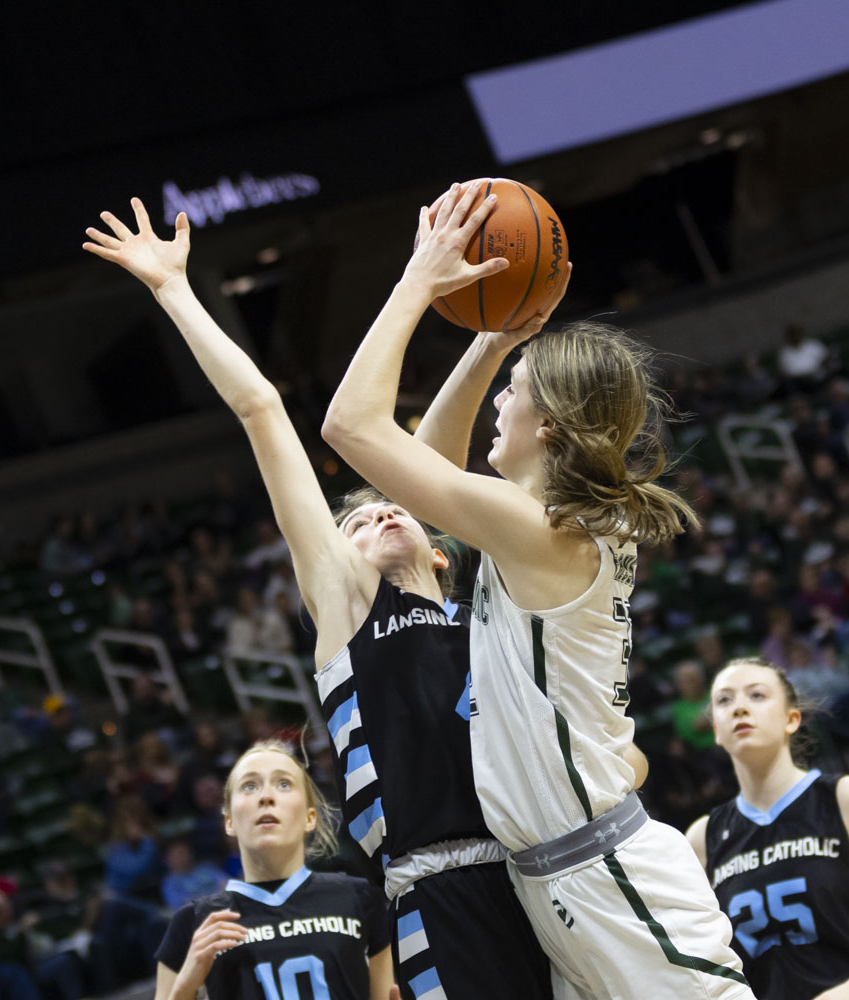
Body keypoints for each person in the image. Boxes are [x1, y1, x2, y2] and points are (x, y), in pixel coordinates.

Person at [86, 197, 549, 998]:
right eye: (358, 522)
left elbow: (433, 462)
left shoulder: (472, 607)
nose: (379, 510)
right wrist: (173, 290)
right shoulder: (348, 606)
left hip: (536, 873)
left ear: (441, 554)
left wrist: (496, 335)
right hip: (436, 891)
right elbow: (263, 408)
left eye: (393, 507)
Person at [319, 179, 749, 998]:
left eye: (512, 389)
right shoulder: (538, 523)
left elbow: (351, 426)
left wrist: (420, 281)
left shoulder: (545, 532)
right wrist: (491, 342)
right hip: (558, 881)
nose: (497, 404)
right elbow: (421, 481)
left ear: (546, 425)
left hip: (607, 878)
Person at [150, 742, 391, 1000]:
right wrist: (187, 983)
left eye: (284, 784)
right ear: (229, 821)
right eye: (249, 786)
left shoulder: (359, 897)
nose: (265, 797)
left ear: (310, 818)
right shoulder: (193, 921)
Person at [687, 658, 849, 999]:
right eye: (725, 700)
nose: (739, 708)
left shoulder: (844, 797)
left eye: (757, 695)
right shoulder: (701, 839)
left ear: (791, 719)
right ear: (716, 730)